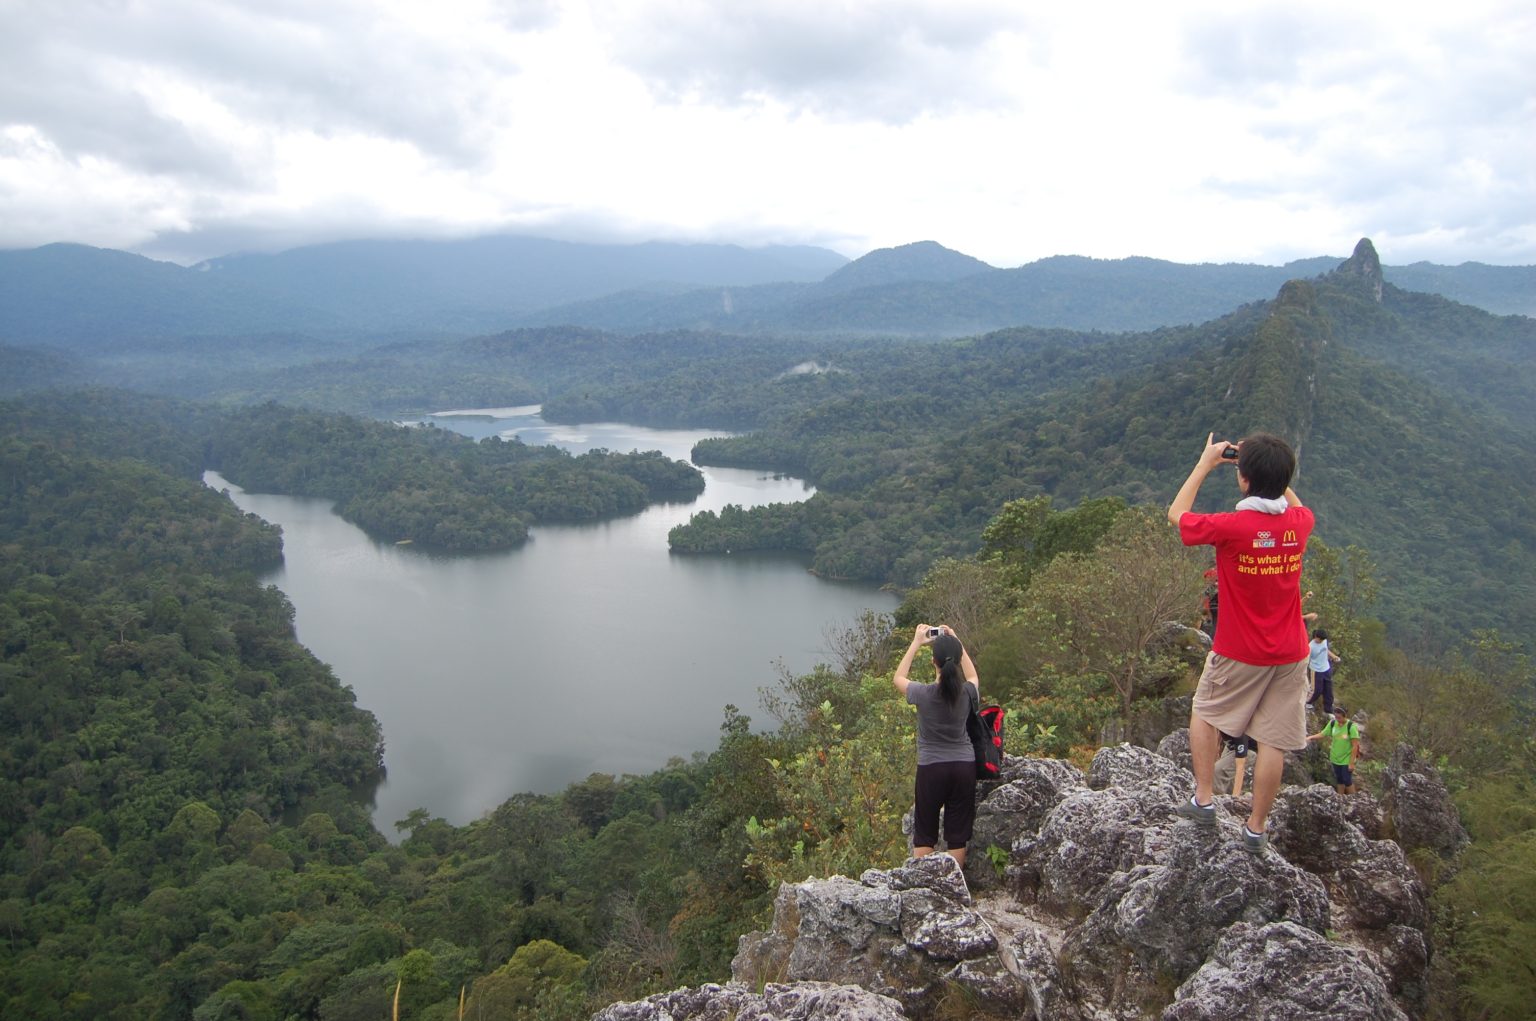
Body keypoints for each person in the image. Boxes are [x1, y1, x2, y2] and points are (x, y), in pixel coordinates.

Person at [1167, 432, 1314, 854]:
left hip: (1239, 650)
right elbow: (1294, 502)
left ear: (1244, 479)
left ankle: (1204, 799)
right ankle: (1255, 828)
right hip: (1291, 652)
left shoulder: (1230, 528)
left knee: (1205, 712)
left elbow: (1177, 514)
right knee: (1273, 741)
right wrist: (1271, 473)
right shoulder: (1300, 524)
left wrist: (1207, 462)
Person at [892, 624, 980, 867]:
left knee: (925, 832)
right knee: (957, 835)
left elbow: (898, 678)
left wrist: (916, 642)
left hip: (931, 768)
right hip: (964, 766)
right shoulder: (967, 692)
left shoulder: (923, 693)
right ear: (957, 660)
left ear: (934, 662)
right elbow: (973, 676)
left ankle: (921, 882)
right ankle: (955, 883)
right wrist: (957, 641)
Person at [1308, 705, 1361, 795]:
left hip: (1346, 759)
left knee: (1347, 780)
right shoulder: (1333, 723)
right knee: (1339, 779)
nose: (1337, 719)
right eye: (1336, 717)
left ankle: (1354, 799)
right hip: (1335, 757)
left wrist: (1351, 763)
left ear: (1345, 716)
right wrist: (1311, 737)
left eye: (1339, 718)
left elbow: (1355, 746)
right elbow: (1323, 734)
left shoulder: (1351, 727)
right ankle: (1340, 798)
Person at [1306, 628, 1341, 715]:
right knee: (1316, 690)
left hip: (1326, 668)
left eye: (1323, 640)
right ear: (1316, 637)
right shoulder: (1310, 647)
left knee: (1328, 690)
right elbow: (1306, 660)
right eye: (1320, 639)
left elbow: (1326, 650)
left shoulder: (1324, 641)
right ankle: (1307, 702)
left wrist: (1334, 657)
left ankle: (1328, 709)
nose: (1322, 641)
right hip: (1316, 670)